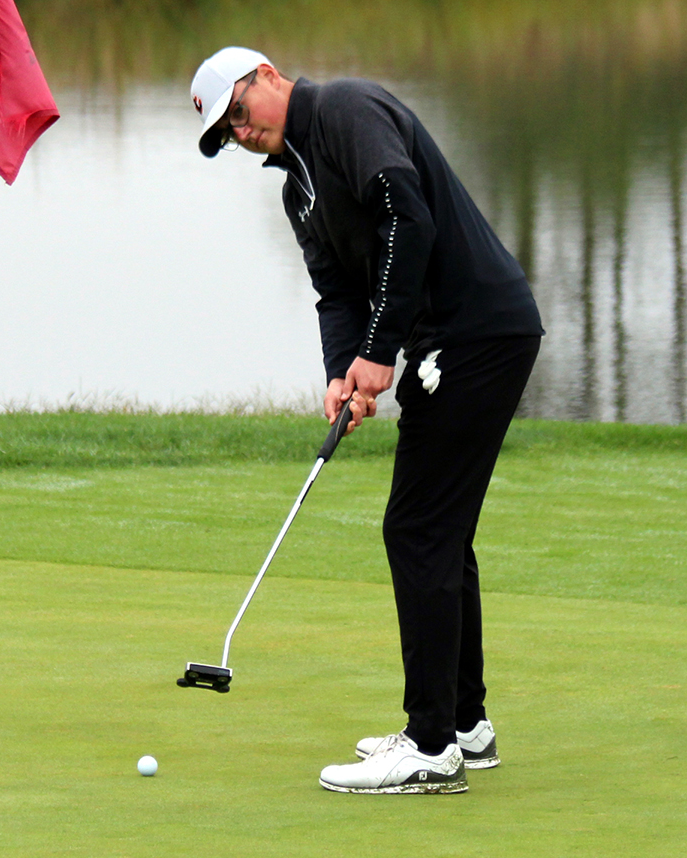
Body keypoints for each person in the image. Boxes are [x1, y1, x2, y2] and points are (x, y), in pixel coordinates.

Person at [189, 47, 544, 795]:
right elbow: (335, 295)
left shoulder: (347, 110)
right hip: (450, 343)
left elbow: (404, 218)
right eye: (226, 133)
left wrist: (381, 353)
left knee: (415, 530)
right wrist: (343, 370)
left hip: (474, 333)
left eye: (239, 112)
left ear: (269, 76)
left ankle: (429, 745)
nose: (240, 133)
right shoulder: (298, 191)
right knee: (439, 533)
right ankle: (464, 726)